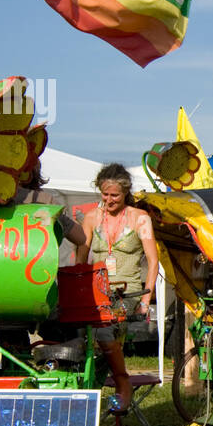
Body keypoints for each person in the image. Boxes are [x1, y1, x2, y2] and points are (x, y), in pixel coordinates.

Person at [76, 164, 158, 412]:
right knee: (81, 338)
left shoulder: (139, 218)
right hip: (95, 291)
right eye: (105, 194)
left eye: (114, 195)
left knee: (106, 332)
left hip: (127, 291)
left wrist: (146, 300)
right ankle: (88, 390)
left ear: (125, 193)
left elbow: (153, 260)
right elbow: (80, 260)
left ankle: (123, 382)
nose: (109, 200)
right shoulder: (91, 218)